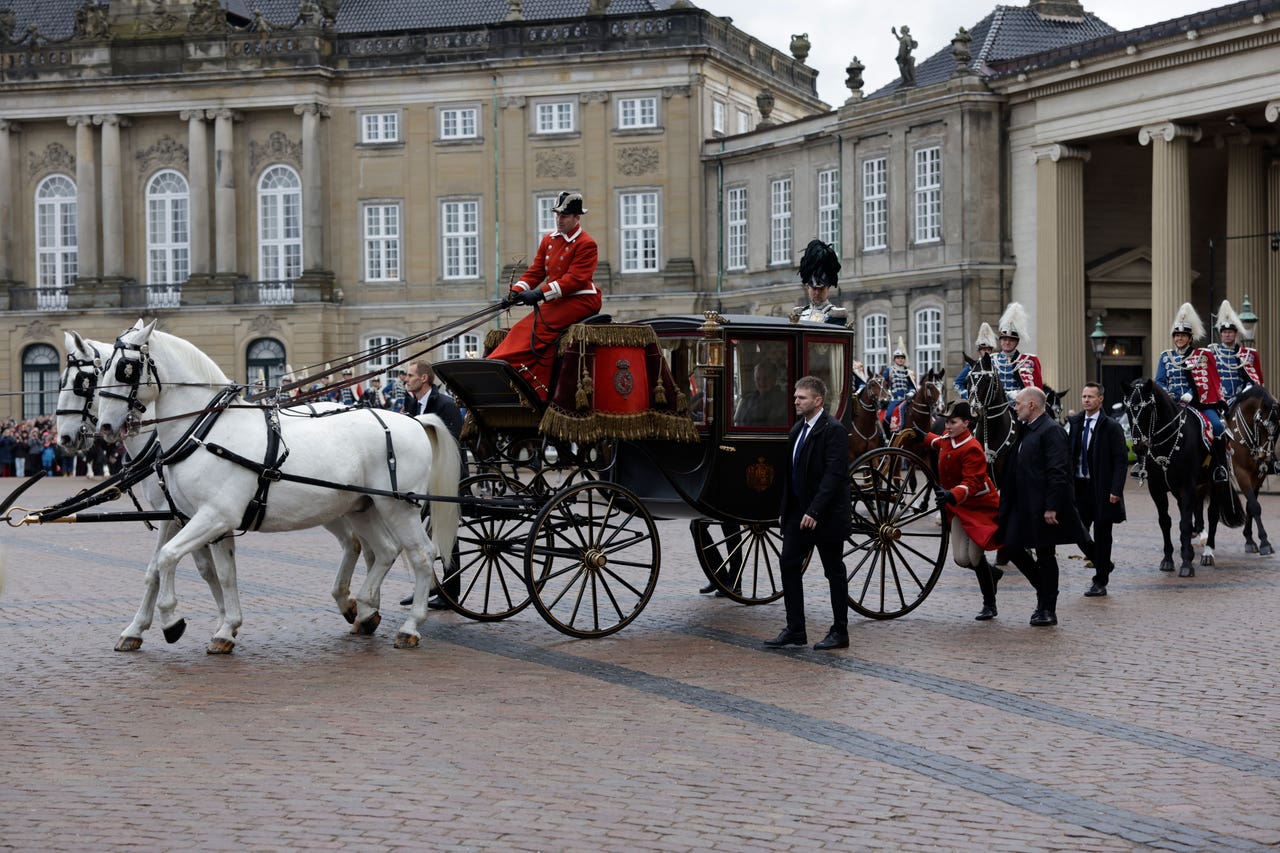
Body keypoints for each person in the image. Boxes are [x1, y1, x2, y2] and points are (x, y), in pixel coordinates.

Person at [764, 375, 852, 651]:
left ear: (818, 400)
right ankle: (795, 629)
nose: (796, 401)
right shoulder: (797, 430)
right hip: (797, 515)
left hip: (825, 515)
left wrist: (815, 510)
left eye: (801, 397)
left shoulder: (833, 430)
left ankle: (840, 631)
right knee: (788, 564)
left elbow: (834, 475)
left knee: (833, 571)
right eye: (795, 397)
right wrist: (784, 510)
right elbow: (790, 475)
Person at [488, 191, 601, 399]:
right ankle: (502, 365)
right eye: (557, 215)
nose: (559, 219)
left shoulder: (586, 243)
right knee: (523, 327)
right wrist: (516, 292)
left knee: (537, 327)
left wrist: (540, 293)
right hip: (557, 298)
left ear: (577, 218)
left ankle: (509, 368)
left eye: (564, 216)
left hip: (581, 299)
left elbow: (574, 279)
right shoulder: (549, 240)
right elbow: (536, 271)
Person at [996, 387, 1086, 627]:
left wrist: (1052, 506)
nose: (1015, 408)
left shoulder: (1052, 431)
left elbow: (1059, 471)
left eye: (1018, 404)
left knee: (1046, 554)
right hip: (1020, 505)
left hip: (1042, 506)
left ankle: (1048, 608)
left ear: (1032, 405)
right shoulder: (1025, 430)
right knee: (1012, 547)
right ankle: (1043, 589)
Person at [927, 401, 1003, 620]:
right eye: (947, 421)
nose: (947, 426)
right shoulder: (948, 439)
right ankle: (993, 574)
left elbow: (972, 483)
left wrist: (952, 494)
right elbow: (938, 442)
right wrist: (920, 434)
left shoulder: (972, 448)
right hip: (960, 507)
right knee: (961, 559)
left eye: (953, 422)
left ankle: (990, 603)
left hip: (980, 507)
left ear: (966, 423)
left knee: (974, 557)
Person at [400, 357, 465, 609]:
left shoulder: (445, 405)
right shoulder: (411, 403)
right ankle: (425, 588)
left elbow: (452, 445)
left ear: (424, 378)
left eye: (410, 375)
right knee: (418, 536)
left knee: (447, 535)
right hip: (420, 479)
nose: (407, 379)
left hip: (445, 478)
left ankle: (450, 593)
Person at [1068, 383, 1127, 597]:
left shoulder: (1111, 426)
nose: (1086, 400)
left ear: (1100, 399)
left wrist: (1116, 490)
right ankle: (1103, 562)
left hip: (1102, 488)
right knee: (1077, 530)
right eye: (1084, 396)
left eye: (1091, 397)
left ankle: (1100, 580)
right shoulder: (1075, 423)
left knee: (1103, 535)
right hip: (1080, 488)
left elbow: (1121, 460)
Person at [1155, 302, 1223, 435]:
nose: (1179, 338)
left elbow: (1205, 382)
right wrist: (1166, 394)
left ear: (1190, 338)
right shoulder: (1165, 356)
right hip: (1172, 402)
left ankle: (1220, 456)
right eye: (1177, 335)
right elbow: (1159, 381)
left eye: (1183, 335)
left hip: (1196, 402)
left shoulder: (1200, 356)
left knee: (1217, 426)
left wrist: (1191, 394)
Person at [1209, 299, 1264, 405]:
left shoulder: (1246, 354)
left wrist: (1248, 387)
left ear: (1235, 334)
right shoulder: (1212, 352)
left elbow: (1254, 377)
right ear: (1221, 334)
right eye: (1224, 332)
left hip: (1240, 398)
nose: (1227, 335)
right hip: (1219, 399)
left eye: (1230, 332)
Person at [992, 302, 1043, 399]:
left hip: (1020, 404)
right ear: (1000, 341)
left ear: (1017, 342)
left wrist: (1018, 394)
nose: (1007, 342)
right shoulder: (991, 359)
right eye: (1004, 339)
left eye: (1011, 340)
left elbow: (1037, 389)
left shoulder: (1029, 360)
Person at [794, 239, 846, 325]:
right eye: (814, 288)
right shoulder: (799, 313)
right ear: (807, 287)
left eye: (821, 289)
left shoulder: (836, 315)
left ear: (828, 288)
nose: (817, 293)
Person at [734, 361, 787, 426]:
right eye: (758, 379)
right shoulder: (746, 399)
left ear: (774, 379)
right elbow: (736, 422)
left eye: (766, 378)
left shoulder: (783, 400)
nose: (762, 382)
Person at [953, 322, 996, 398]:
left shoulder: (996, 364)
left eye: (988, 349)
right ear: (979, 351)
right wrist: (966, 394)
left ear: (991, 351)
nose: (986, 352)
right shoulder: (972, 366)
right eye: (983, 350)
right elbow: (957, 383)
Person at [882, 338, 916, 430]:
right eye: (898, 358)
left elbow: (912, 387)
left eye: (902, 358)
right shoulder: (889, 371)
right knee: (888, 416)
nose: (900, 360)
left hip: (906, 400)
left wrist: (911, 393)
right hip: (893, 399)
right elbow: (883, 385)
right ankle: (888, 435)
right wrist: (888, 388)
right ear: (894, 359)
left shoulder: (908, 372)